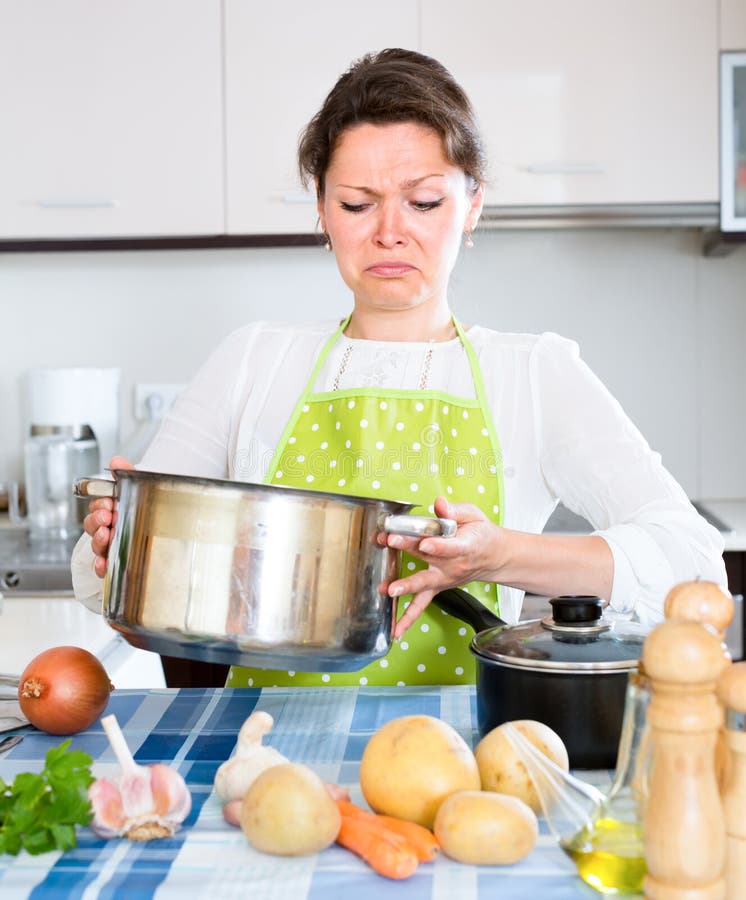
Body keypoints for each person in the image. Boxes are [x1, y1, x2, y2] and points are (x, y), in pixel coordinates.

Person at [71, 48, 726, 687]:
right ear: (322, 211)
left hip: (466, 766)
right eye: (358, 203)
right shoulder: (253, 360)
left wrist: (504, 555)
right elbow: (98, 576)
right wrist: (115, 542)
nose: (389, 231)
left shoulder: (532, 372)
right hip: (263, 763)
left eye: (424, 201)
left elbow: (693, 565)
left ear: (473, 205)